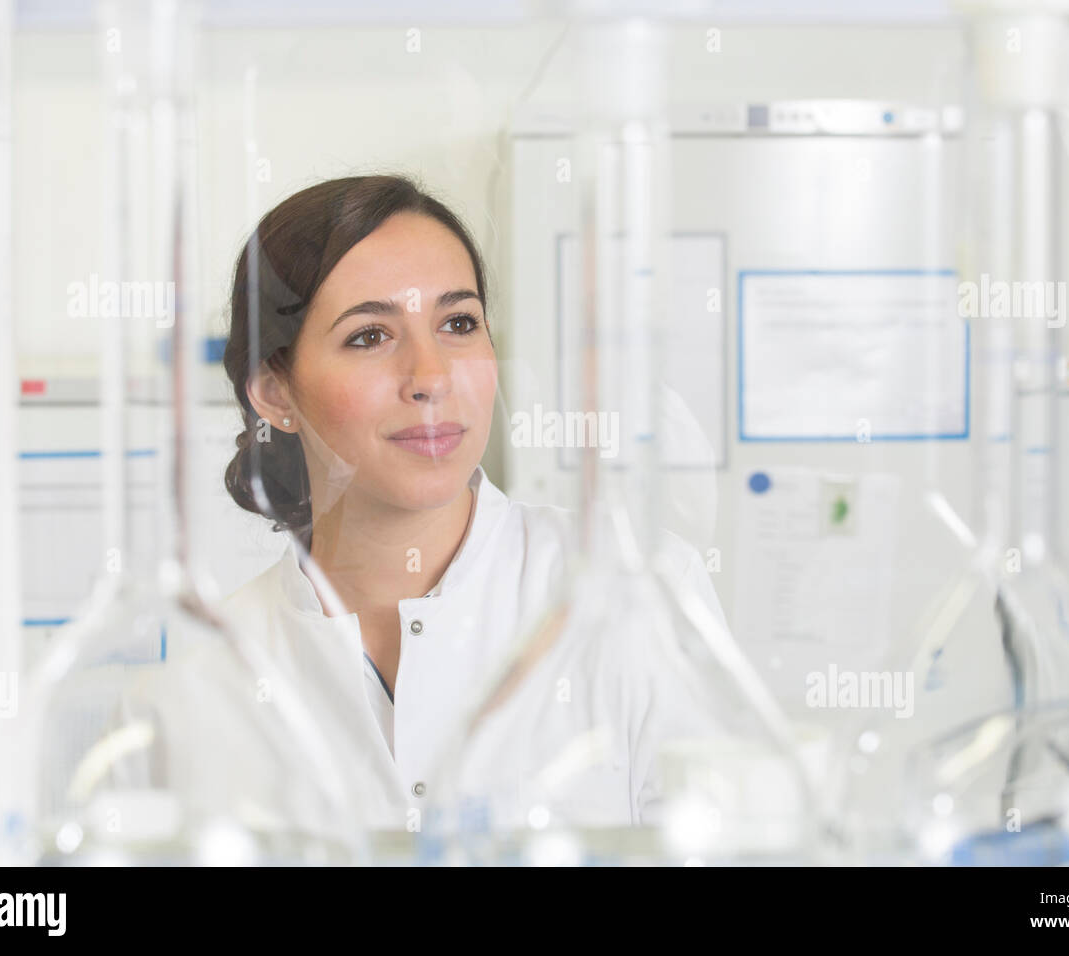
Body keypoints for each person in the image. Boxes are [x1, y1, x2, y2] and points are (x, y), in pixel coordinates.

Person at [219, 174, 731, 833]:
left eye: (458, 323)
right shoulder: (211, 670)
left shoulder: (640, 592)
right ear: (274, 392)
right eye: (370, 336)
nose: (431, 377)